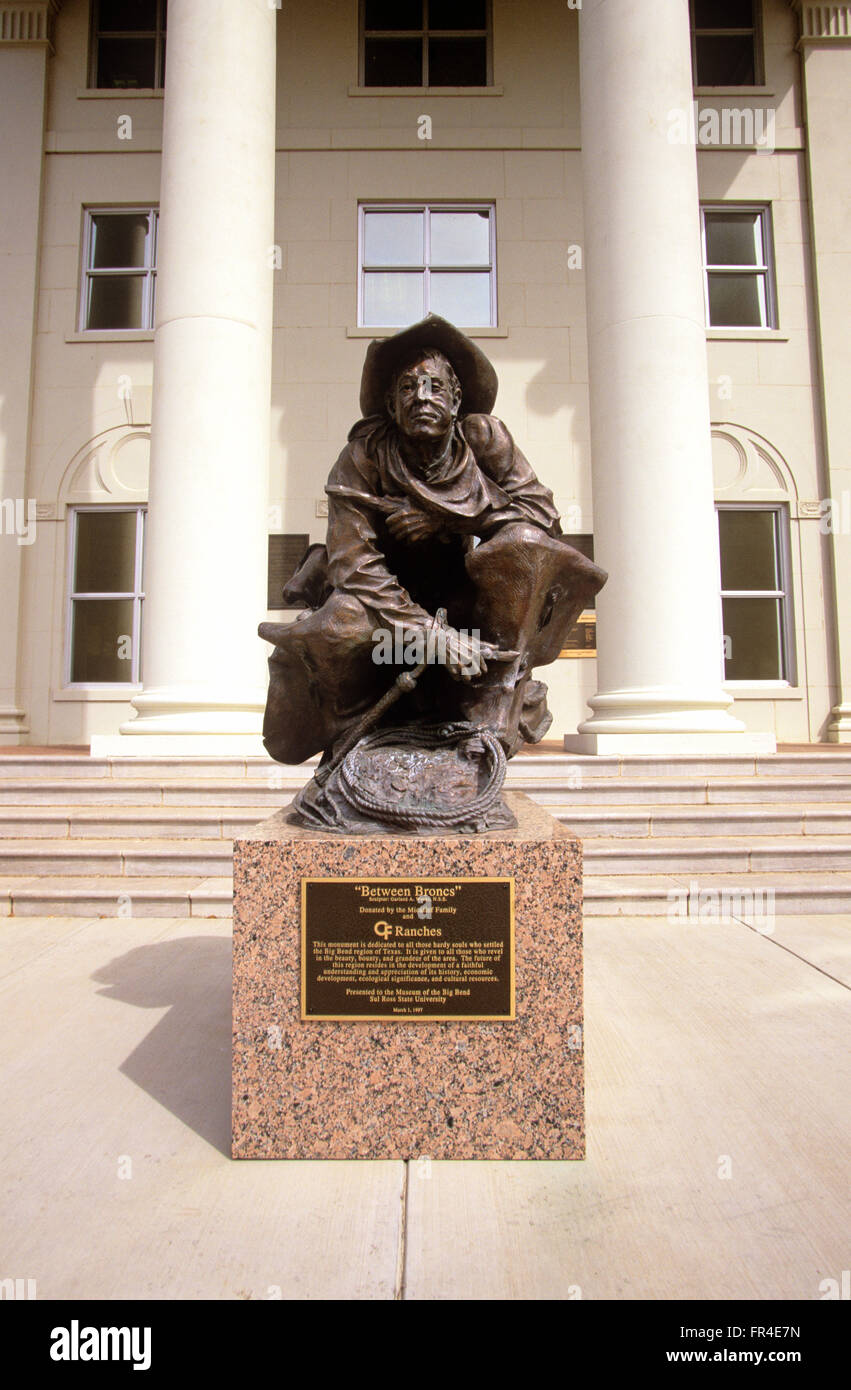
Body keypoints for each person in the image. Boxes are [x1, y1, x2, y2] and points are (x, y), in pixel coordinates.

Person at [260, 315, 606, 766]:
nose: (422, 397)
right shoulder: (364, 454)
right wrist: (431, 636)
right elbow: (353, 561)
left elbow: (543, 519)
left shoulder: (484, 439)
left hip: (464, 600)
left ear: (457, 399)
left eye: (435, 387)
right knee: (341, 619)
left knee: (522, 542)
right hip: (382, 607)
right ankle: (351, 736)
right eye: (408, 387)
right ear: (390, 401)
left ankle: (492, 701)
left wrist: (446, 519)